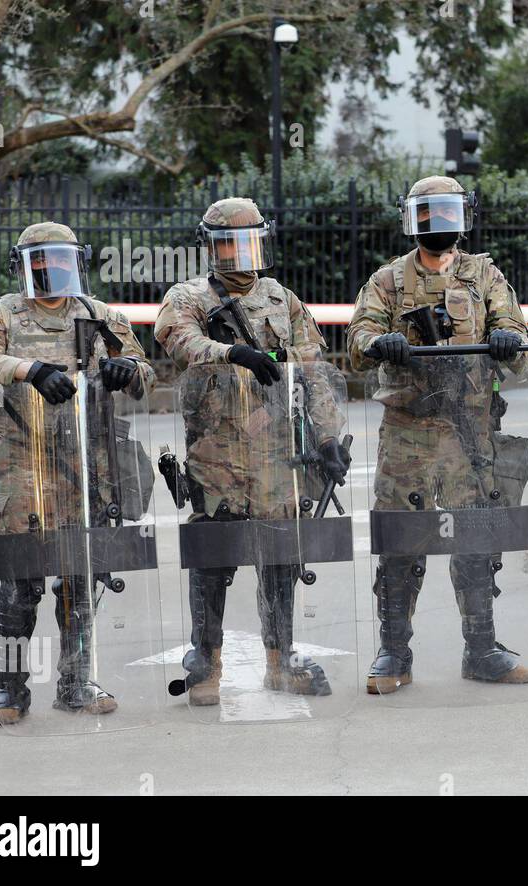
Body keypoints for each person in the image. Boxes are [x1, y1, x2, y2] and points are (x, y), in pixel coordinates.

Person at [154, 197, 349, 705]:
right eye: (226, 244)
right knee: (214, 557)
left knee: (280, 556)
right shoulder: (188, 295)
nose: (238, 254)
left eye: (246, 242)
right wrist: (232, 352)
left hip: (275, 452)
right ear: (210, 246)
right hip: (217, 452)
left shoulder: (282, 299)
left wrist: (327, 438)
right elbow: (181, 344)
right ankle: (206, 662)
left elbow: (313, 371)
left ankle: (281, 659)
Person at [348, 175, 528, 693]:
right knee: (402, 543)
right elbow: (357, 340)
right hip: (408, 430)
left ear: (463, 217)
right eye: (427, 215)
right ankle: (394, 652)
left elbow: (516, 335)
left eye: (447, 214)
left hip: (467, 428)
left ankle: (481, 649)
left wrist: (505, 339)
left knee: (473, 539)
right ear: (412, 220)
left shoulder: (484, 275)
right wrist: (380, 341)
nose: (438, 225)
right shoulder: (388, 280)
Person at [0, 221, 154, 723]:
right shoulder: (0, 314)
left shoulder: (99, 315)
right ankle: (10, 688)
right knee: (18, 578)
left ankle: (76, 681)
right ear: (23, 266)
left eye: (61, 260)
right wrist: (31, 371)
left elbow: (144, 370)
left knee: (79, 573)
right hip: (22, 461)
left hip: (84, 462)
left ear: (78, 263)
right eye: (40, 261)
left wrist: (127, 371)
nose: (52, 269)